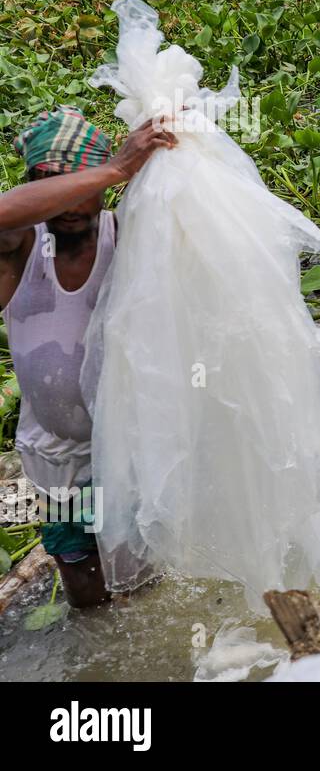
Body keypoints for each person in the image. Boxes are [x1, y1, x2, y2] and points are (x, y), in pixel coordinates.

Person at [0, 107, 175, 607]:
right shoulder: (20, 247)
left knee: (140, 589)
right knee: (81, 582)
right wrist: (115, 168)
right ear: (34, 188)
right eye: (55, 184)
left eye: (82, 182)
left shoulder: (129, 237)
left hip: (126, 454)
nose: (73, 200)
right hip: (52, 459)